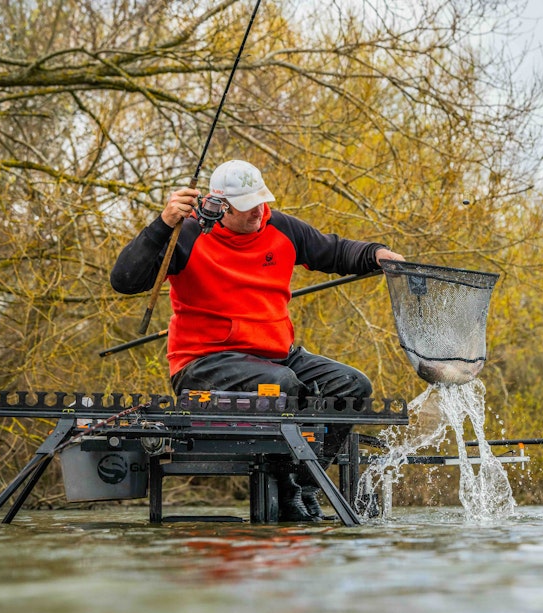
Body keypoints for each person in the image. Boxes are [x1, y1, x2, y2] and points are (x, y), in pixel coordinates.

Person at [110, 159, 404, 521]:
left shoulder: (279, 226)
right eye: (248, 207)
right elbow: (124, 280)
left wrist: (376, 254)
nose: (258, 213)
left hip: (277, 356)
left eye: (261, 202)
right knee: (281, 385)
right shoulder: (185, 235)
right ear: (219, 206)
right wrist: (163, 224)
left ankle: (307, 481)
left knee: (352, 385)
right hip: (206, 362)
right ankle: (287, 487)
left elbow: (335, 251)